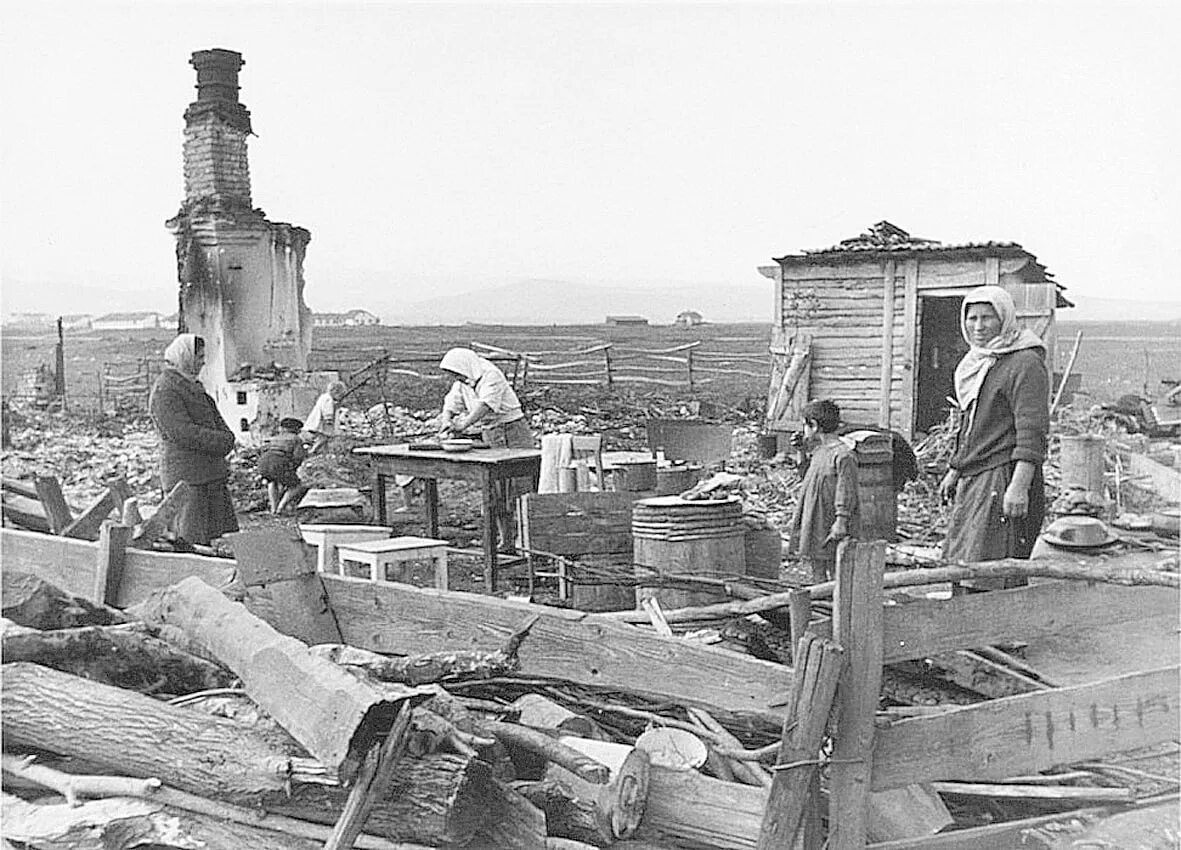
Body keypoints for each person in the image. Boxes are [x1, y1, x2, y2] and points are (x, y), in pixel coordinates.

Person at [939, 285, 1049, 575]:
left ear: (1005, 318)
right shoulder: (981, 362)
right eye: (972, 318)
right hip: (976, 475)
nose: (978, 326)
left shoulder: (1024, 363)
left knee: (992, 572)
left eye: (987, 318)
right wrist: (956, 469)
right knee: (963, 565)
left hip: (1003, 477)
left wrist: (1019, 487)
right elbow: (972, 425)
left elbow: (1032, 431)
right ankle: (964, 619)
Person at [437, 348, 533, 551]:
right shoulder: (463, 382)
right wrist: (446, 422)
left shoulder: (491, 375)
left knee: (519, 487)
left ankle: (527, 542)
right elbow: (451, 404)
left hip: (512, 431)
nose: (458, 378)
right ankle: (505, 541)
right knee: (496, 489)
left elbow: (486, 405)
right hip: (491, 432)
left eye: (457, 373)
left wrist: (463, 425)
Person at [148, 334, 239, 546]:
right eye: (198, 357)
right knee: (192, 543)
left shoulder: (196, 388)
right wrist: (222, 442)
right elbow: (182, 432)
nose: (202, 362)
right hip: (188, 480)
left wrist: (226, 439)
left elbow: (222, 427)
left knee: (222, 543)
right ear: (185, 357)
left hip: (212, 476)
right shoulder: (166, 390)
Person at [789, 399, 860, 583]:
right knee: (817, 569)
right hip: (816, 519)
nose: (803, 430)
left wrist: (841, 521)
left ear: (814, 425)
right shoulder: (820, 451)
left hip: (831, 521)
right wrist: (800, 451)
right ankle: (821, 605)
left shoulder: (843, 455)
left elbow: (847, 490)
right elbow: (807, 478)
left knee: (838, 570)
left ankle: (839, 608)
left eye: (805, 425)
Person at [258, 416, 308, 515]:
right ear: (295, 429)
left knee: (272, 482)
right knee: (296, 485)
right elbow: (298, 457)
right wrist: (292, 468)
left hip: (263, 462)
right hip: (279, 462)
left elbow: (263, 450)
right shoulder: (296, 439)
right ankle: (281, 507)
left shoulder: (275, 438)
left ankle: (273, 508)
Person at [302, 380, 346, 455]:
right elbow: (327, 411)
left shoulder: (324, 397)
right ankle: (312, 451)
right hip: (321, 423)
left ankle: (323, 453)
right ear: (335, 392)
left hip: (317, 423)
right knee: (323, 438)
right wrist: (329, 420)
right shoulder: (328, 399)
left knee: (323, 439)